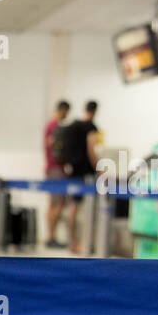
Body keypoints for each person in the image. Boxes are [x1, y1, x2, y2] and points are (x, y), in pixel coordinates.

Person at [61, 100, 100, 253]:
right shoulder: (91, 127)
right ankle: (83, 243)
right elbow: (91, 150)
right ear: (95, 111)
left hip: (73, 170)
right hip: (86, 172)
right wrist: (99, 167)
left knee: (73, 208)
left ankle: (72, 242)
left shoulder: (74, 126)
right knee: (88, 210)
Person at [42, 100, 71, 248]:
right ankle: (51, 237)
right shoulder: (54, 126)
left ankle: (51, 236)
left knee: (53, 203)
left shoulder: (51, 125)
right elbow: (52, 144)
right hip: (56, 169)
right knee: (58, 204)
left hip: (52, 169)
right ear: (63, 110)